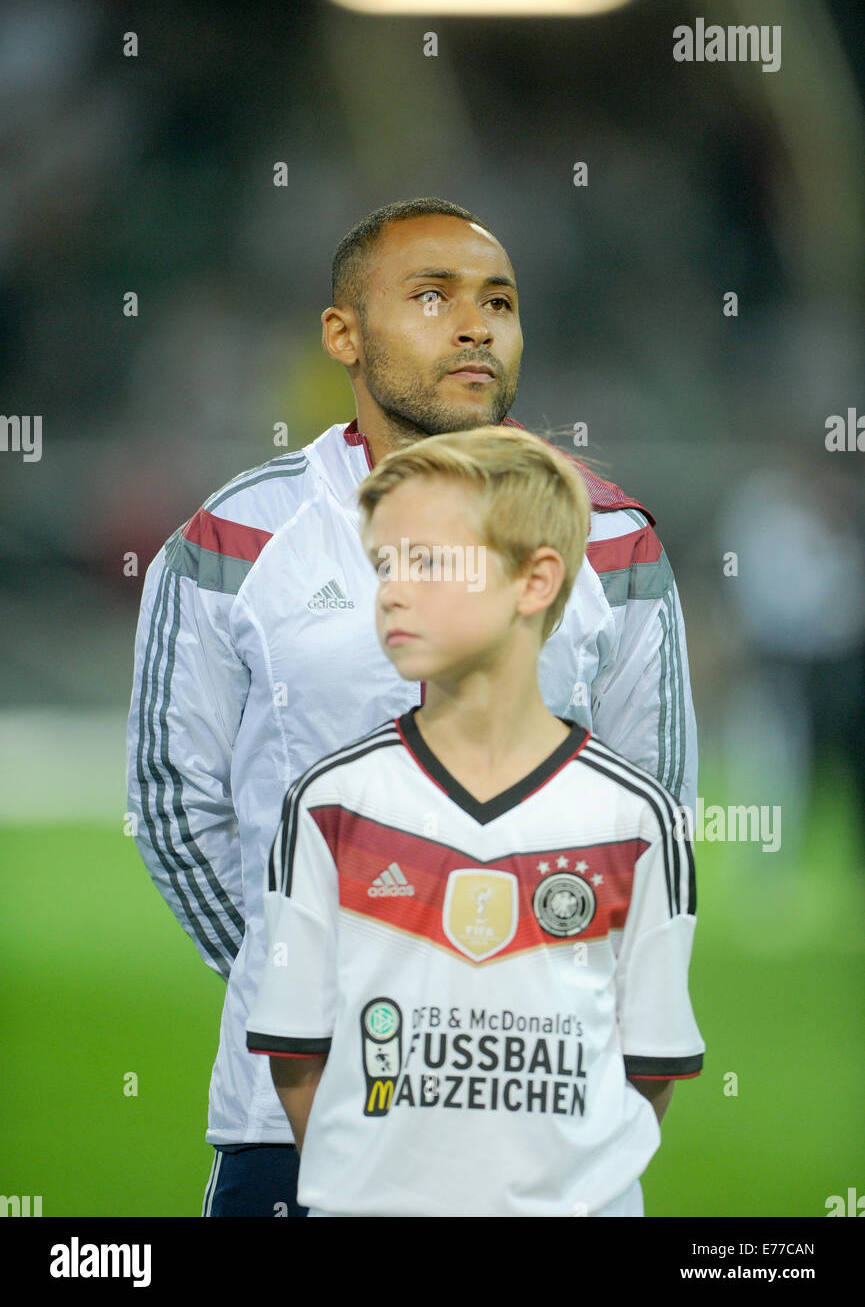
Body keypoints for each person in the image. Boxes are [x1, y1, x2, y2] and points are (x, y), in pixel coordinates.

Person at [125, 196, 698, 1217]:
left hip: (544, 1119)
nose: (474, 323)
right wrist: (299, 974)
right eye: (431, 297)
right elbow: (175, 805)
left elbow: (656, 816)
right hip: (295, 1118)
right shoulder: (235, 541)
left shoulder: (612, 541)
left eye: (499, 302)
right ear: (342, 334)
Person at [246, 425, 704, 1217]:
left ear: (534, 584)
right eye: (383, 563)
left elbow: (646, 1066)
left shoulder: (633, 820)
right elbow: (299, 1057)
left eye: (427, 562)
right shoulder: (330, 807)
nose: (388, 591)